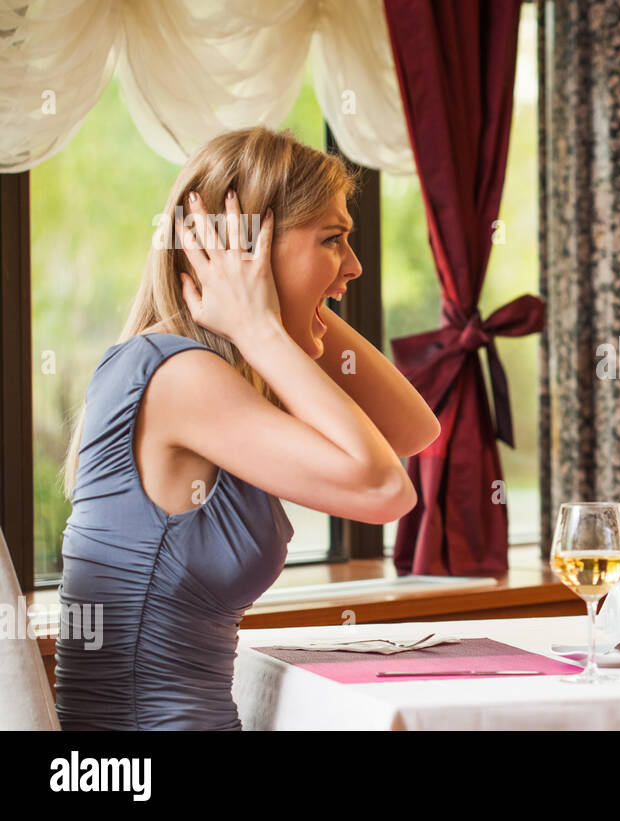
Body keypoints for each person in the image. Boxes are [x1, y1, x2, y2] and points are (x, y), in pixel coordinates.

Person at [55, 126, 440, 730]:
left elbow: (413, 430)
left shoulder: (214, 373)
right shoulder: (176, 374)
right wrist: (261, 327)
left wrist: (283, 313)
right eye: (333, 240)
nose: (355, 266)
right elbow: (386, 491)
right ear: (249, 251)